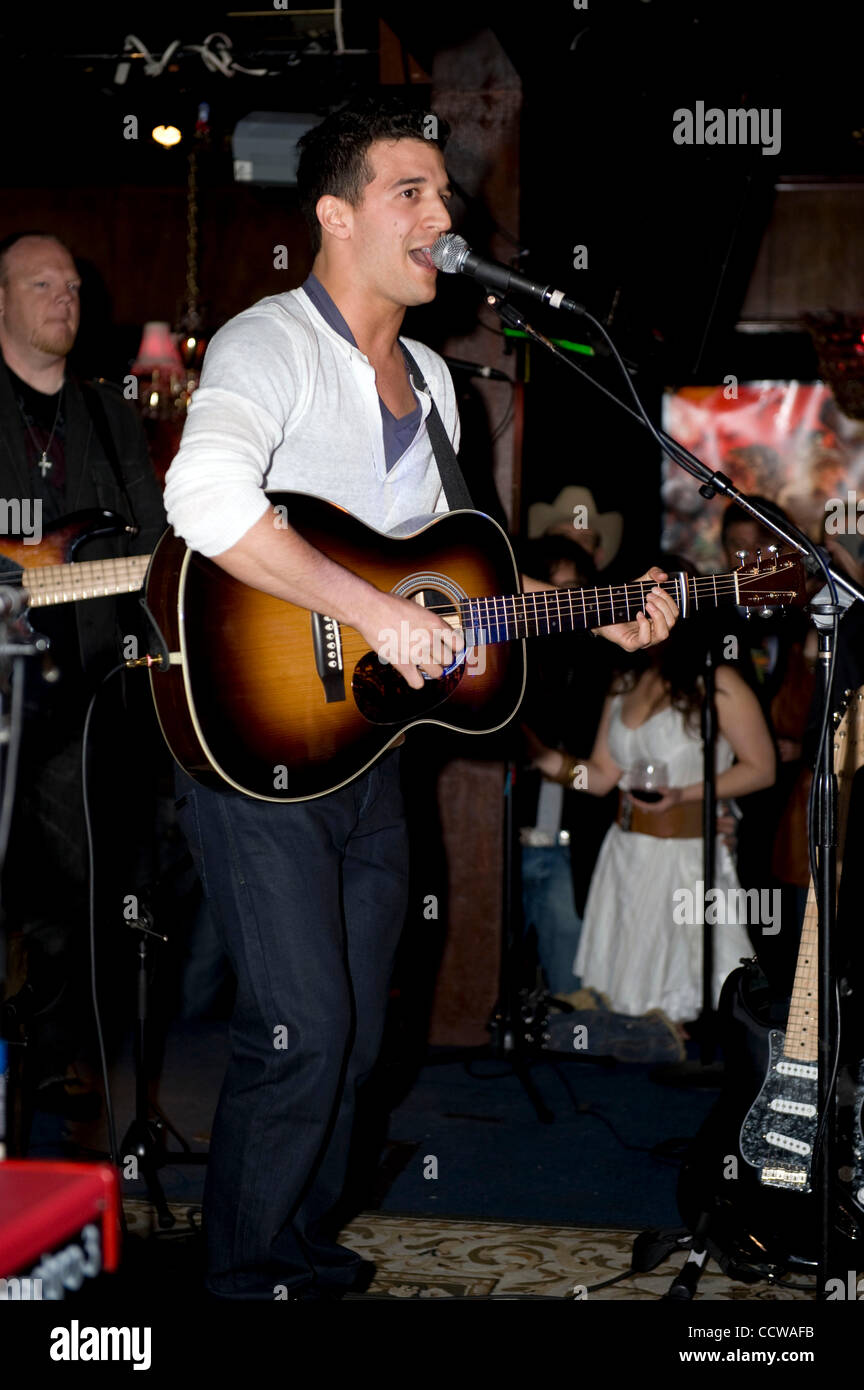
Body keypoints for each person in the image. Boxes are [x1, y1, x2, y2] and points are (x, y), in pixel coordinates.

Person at [162, 96, 679, 1301]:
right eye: (413, 193)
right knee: (299, 1028)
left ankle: (293, 1235)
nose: (446, 216)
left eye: (446, 195)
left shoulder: (444, 389)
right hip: (261, 749)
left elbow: (454, 597)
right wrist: (370, 611)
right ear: (335, 216)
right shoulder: (268, 345)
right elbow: (204, 498)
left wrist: (600, 613)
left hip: (368, 759)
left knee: (357, 1035)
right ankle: (241, 1272)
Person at [0, 231, 165, 1134]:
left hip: (83, 693)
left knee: (75, 885)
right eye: (42, 284)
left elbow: (151, 542)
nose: (65, 297)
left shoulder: (107, 414)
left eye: (72, 284)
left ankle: (54, 1054)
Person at [569, 574, 775, 1024]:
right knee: (624, 992)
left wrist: (683, 793)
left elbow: (762, 768)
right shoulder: (625, 681)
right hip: (625, 848)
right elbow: (601, 776)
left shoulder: (716, 682)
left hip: (686, 850)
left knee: (686, 994)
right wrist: (545, 761)